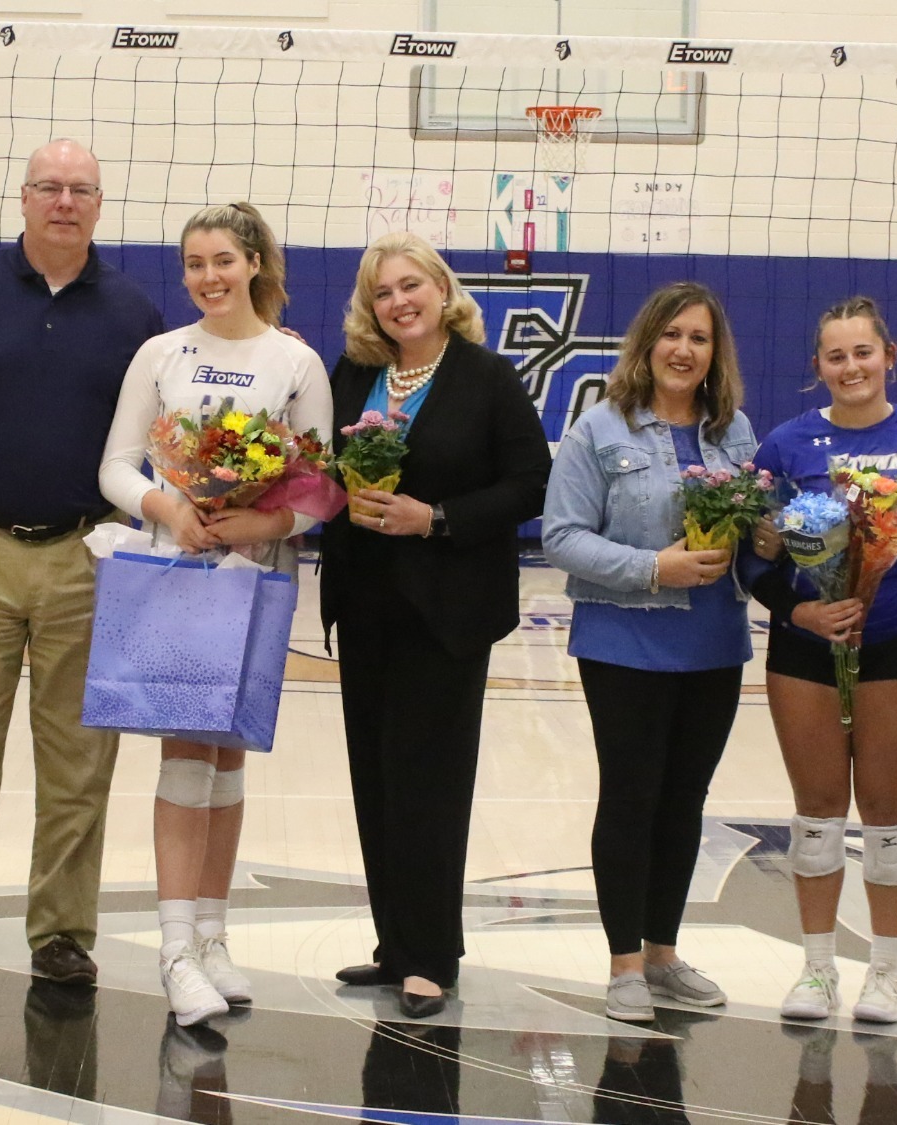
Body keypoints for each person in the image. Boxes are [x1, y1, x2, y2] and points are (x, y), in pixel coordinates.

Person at [0, 139, 163, 992]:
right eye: (48, 187)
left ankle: (60, 933)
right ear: (23, 199)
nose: (63, 202)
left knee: (80, 760)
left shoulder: (134, 315)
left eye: (79, 189)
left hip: (88, 553)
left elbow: (169, 436)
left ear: (99, 203)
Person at [98, 202, 332, 1026]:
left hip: (254, 571)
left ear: (256, 264)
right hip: (173, 570)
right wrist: (169, 508)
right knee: (185, 750)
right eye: (194, 262)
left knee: (228, 756)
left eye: (222, 260)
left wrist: (265, 520)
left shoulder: (295, 362)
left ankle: (212, 932)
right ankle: (172, 950)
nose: (208, 277)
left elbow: (318, 487)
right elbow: (116, 468)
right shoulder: (161, 353)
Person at [318, 232, 550, 1019]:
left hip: (447, 611)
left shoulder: (487, 377)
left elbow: (529, 483)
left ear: (442, 289)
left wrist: (436, 518)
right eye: (383, 292)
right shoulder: (354, 374)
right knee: (376, 778)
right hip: (366, 604)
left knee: (431, 783)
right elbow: (320, 469)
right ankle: (394, 946)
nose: (399, 302)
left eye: (411, 285)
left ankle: (433, 956)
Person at [743, 296, 897, 1026]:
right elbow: (755, 557)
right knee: (816, 812)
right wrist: (799, 607)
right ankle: (816, 970)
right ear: (817, 367)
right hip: (806, 644)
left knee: (884, 811)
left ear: (889, 355)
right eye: (836, 357)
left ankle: (886, 973)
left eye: (863, 353)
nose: (852, 367)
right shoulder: (784, 445)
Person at [541, 280, 755, 1023]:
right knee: (631, 796)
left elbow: (753, 531)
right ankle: (624, 963)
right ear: (648, 342)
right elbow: (560, 536)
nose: (684, 349)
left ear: (713, 353)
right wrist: (651, 568)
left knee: (684, 801)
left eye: (699, 338)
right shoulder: (599, 429)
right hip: (623, 640)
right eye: (672, 334)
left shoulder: (735, 434)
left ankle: (663, 953)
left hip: (713, 643)